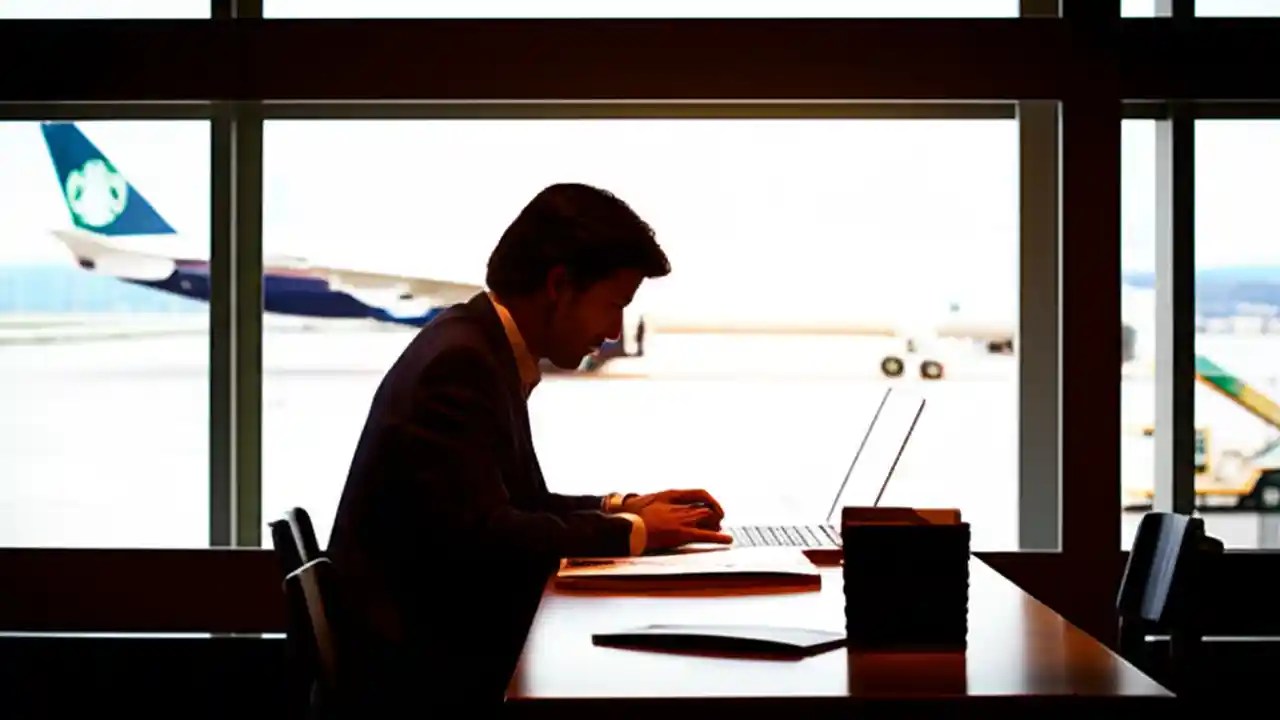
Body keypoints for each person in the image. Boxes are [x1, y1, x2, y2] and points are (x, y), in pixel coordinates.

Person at [325, 182, 732, 712]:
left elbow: (507, 507)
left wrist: (623, 509)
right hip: (426, 687)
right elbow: (491, 536)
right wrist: (635, 533)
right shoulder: (462, 364)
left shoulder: (475, 344)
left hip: (432, 662)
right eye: (614, 305)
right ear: (559, 285)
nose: (613, 331)